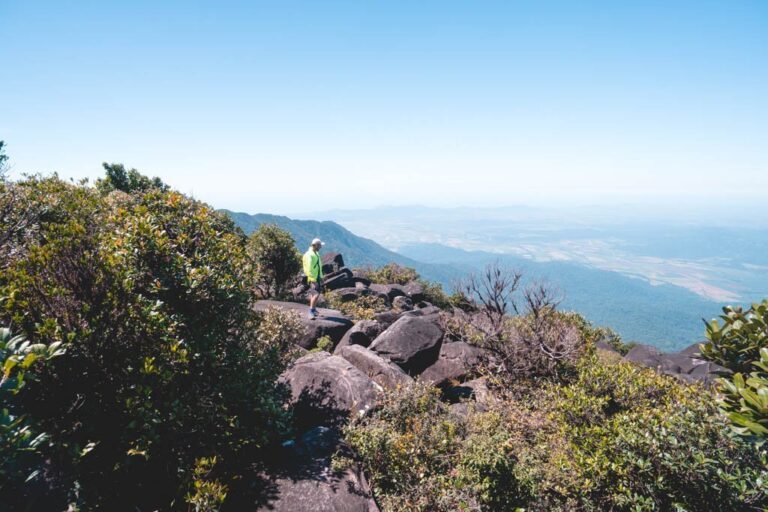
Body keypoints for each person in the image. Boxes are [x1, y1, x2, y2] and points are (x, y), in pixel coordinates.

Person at [302, 238, 325, 319]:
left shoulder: (316, 253)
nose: (321, 247)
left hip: (317, 276)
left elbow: (319, 266)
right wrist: (312, 279)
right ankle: (310, 312)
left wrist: (321, 277)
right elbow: (309, 268)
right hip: (312, 278)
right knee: (316, 294)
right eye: (320, 246)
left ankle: (314, 310)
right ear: (315, 245)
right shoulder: (309, 255)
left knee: (315, 294)